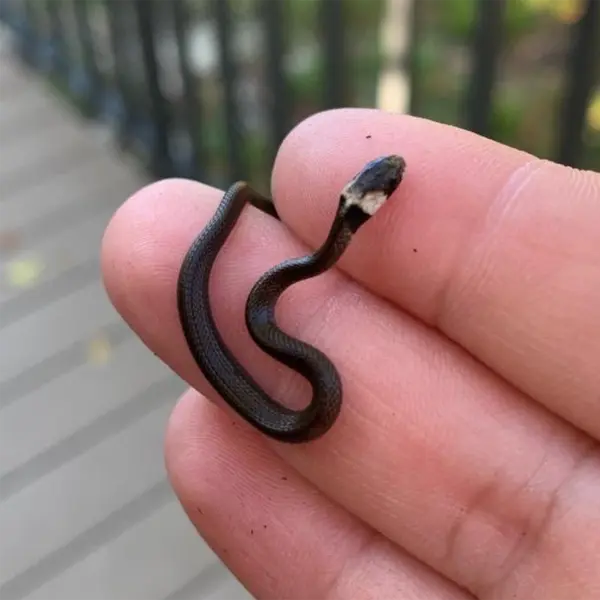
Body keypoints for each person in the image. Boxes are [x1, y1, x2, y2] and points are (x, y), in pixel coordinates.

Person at [101, 108, 600, 599]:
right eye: (389, 183)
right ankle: (239, 201)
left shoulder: (286, 284)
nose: (394, 176)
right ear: (360, 200)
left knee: (246, 293)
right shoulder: (280, 288)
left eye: (390, 182)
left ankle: (239, 200)